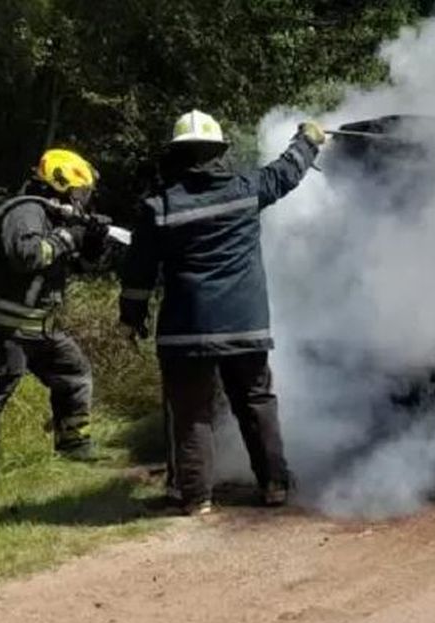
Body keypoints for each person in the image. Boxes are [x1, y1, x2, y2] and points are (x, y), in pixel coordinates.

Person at [119, 110, 325, 515]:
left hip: (186, 329)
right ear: (219, 152)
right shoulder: (247, 188)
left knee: (192, 413)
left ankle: (196, 498)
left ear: (177, 154)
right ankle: (275, 485)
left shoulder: (159, 206)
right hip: (244, 324)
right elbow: (286, 172)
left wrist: (131, 316)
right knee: (255, 401)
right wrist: (308, 140)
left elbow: (138, 272)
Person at [0, 149, 111, 466]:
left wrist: (93, 244)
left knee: (73, 372)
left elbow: (77, 264)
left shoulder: (52, 215)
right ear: (60, 185)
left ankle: (73, 445)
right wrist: (68, 237)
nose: (82, 199)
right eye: (79, 192)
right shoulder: (26, 212)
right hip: (8, 328)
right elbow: (26, 256)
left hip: (42, 327)